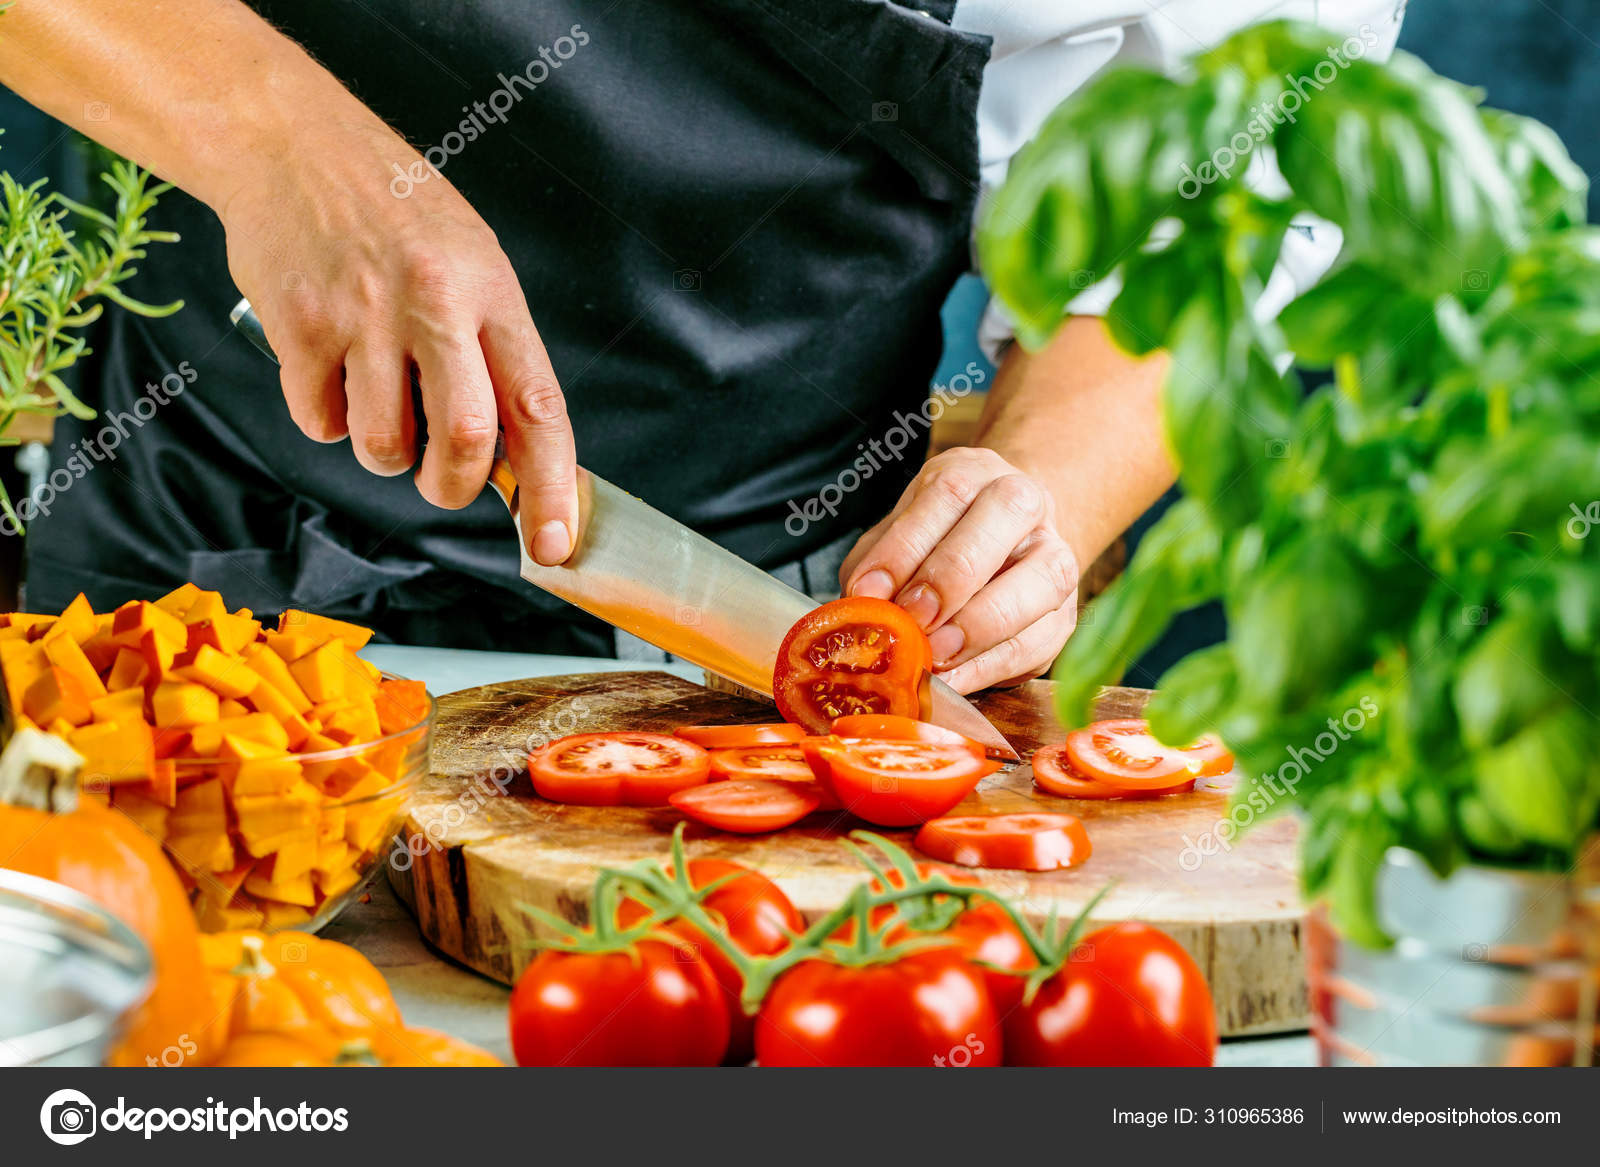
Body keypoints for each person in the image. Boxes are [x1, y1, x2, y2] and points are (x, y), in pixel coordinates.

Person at [0, 0, 1401, 694]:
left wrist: (1035, 493)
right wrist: (280, 145)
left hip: (746, 640)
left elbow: (1192, 213)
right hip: (189, 567)